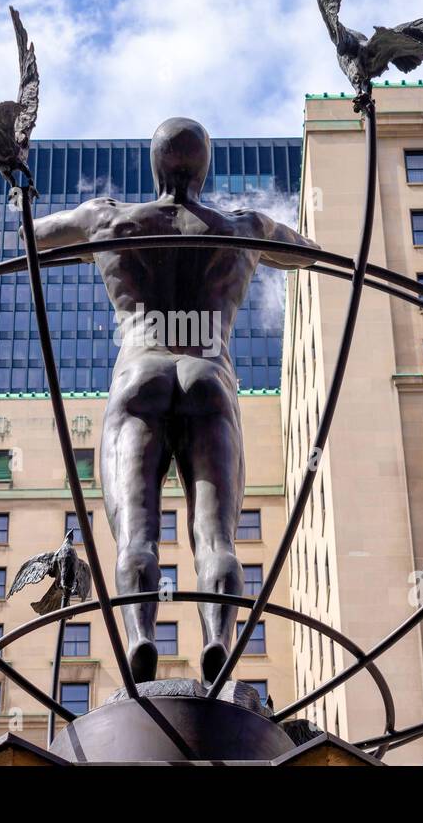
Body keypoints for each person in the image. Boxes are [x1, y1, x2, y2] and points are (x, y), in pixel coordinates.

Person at [30, 117, 319, 683]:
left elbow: (31, 237)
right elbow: (309, 254)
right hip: (209, 374)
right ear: (204, 167)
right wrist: (253, 242)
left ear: (155, 165)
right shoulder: (243, 227)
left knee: (136, 533)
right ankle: (218, 639)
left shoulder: (108, 219)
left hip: (141, 370)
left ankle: (141, 637)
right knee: (215, 535)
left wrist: (86, 243)